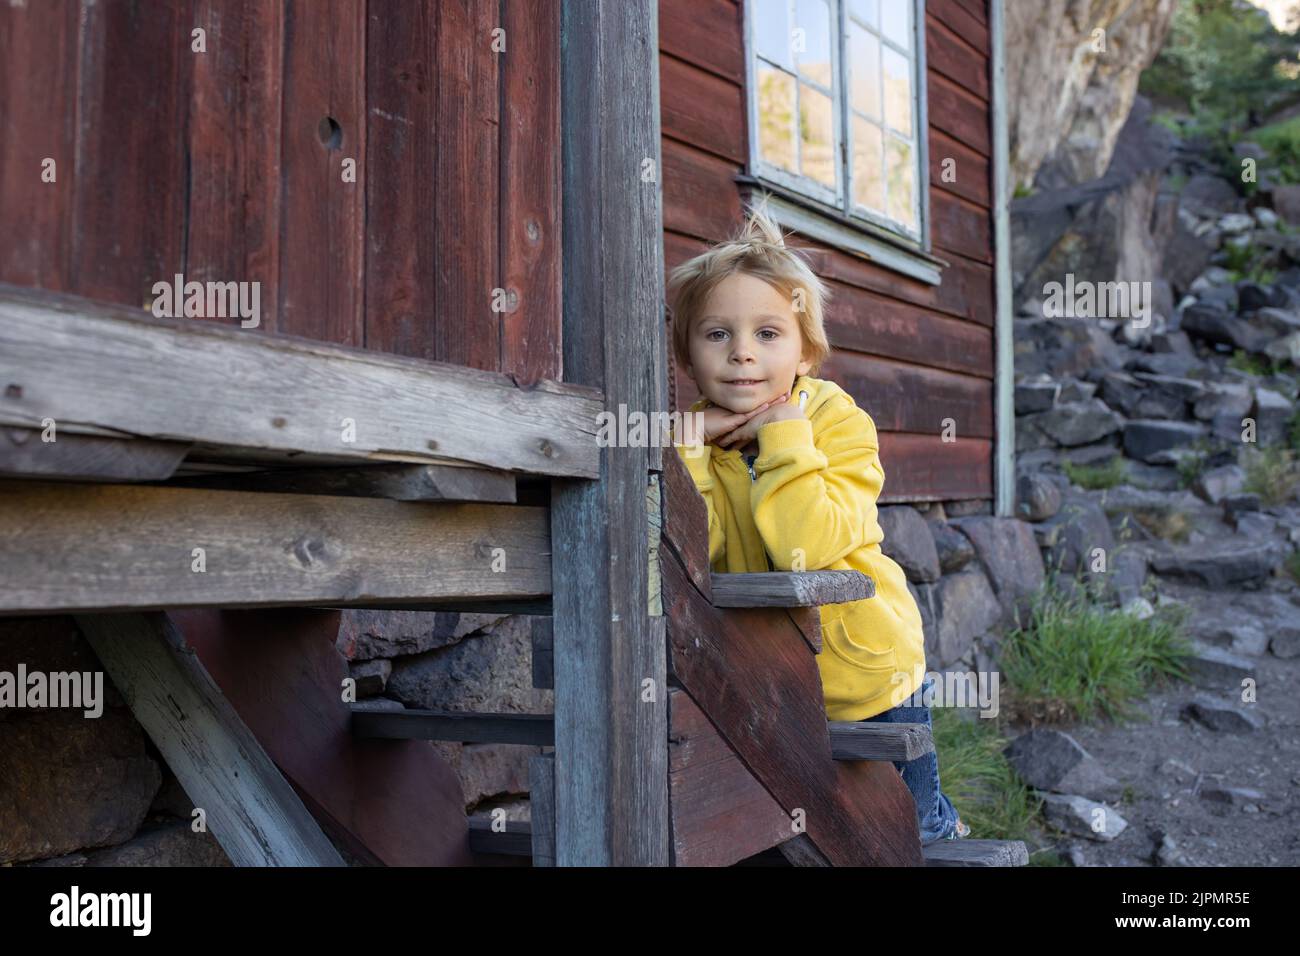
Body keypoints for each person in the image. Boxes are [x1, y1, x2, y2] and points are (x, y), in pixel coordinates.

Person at [670, 197, 968, 844]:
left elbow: (812, 548)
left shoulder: (838, 424)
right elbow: (703, 549)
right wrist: (689, 446)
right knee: (807, 832)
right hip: (770, 683)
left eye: (768, 334)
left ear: (807, 353)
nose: (742, 354)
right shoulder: (695, 436)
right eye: (717, 334)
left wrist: (784, 436)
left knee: (904, 832)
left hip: (864, 672)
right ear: (688, 358)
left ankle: (941, 824)